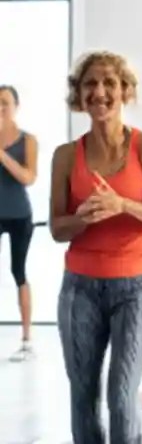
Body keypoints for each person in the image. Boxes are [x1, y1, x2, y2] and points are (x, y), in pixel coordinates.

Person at [48, 51, 142, 444]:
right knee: (83, 395)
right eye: (90, 83)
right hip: (80, 288)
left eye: (109, 83)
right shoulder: (65, 156)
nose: (100, 91)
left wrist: (123, 204)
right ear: (79, 94)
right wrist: (85, 218)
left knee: (121, 394)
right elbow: (58, 228)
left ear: (125, 90)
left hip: (139, 286)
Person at [0, 85, 37, 362]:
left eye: (5, 103)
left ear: (16, 106)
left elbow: (28, 177)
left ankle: (26, 340)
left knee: (19, 272)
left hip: (19, 216)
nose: (1, 108)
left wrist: (1, 154)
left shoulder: (28, 141)